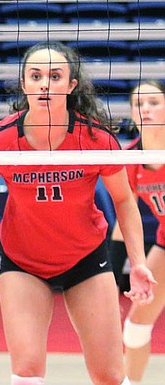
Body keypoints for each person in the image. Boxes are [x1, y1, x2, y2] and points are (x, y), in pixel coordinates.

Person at [0, 41, 156, 385]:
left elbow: (124, 199)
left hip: (86, 259)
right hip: (23, 262)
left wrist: (137, 262)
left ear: (71, 85)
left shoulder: (95, 138)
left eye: (55, 76)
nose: (45, 83)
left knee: (109, 375)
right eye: (36, 76)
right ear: (25, 84)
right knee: (27, 370)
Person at [109, 79, 165, 385]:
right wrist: (111, 279)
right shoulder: (130, 159)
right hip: (164, 245)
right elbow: (123, 222)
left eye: (154, 102)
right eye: (139, 104)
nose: (146, 108)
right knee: (134, 330)